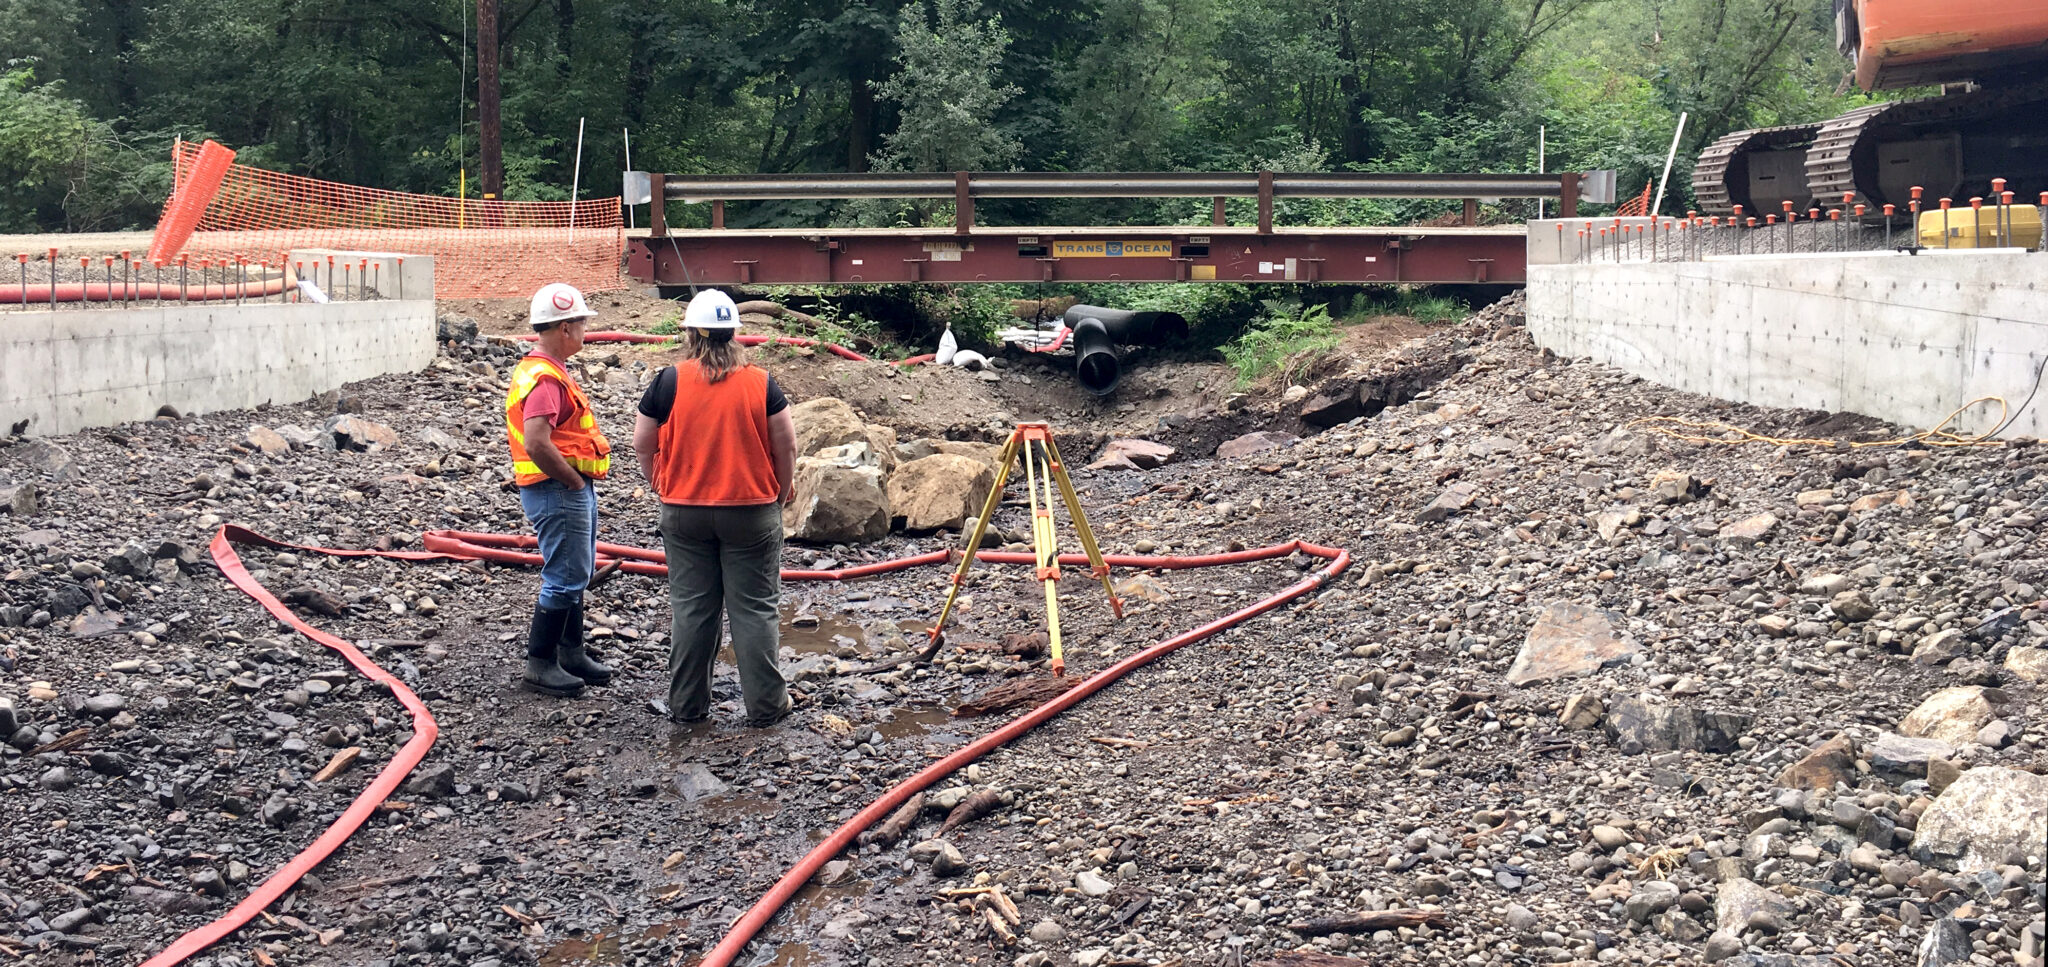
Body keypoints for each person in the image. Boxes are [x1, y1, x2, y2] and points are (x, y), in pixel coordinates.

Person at [632, 289, 798, 727]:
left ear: (688, 332)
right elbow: (787, 444)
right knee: (754, 608)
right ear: (735, 335)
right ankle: (765, 706)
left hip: (683, 511)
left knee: (691, 607)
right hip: (751, 511)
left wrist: (659, 481)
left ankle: (687, 707)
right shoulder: (761, 383)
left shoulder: (668, 380)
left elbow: (642, 442)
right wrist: (781, 491)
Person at [505, 282, 615, 697]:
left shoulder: (543, 369)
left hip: (561, 485)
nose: (586, 329)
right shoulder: (546, 379)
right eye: (583, 323)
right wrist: (570, 479)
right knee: (565, 576)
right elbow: (536, 441)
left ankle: (571, 653)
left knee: (575, 570)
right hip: (557, 487)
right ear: (566, 328)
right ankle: (541, 664)